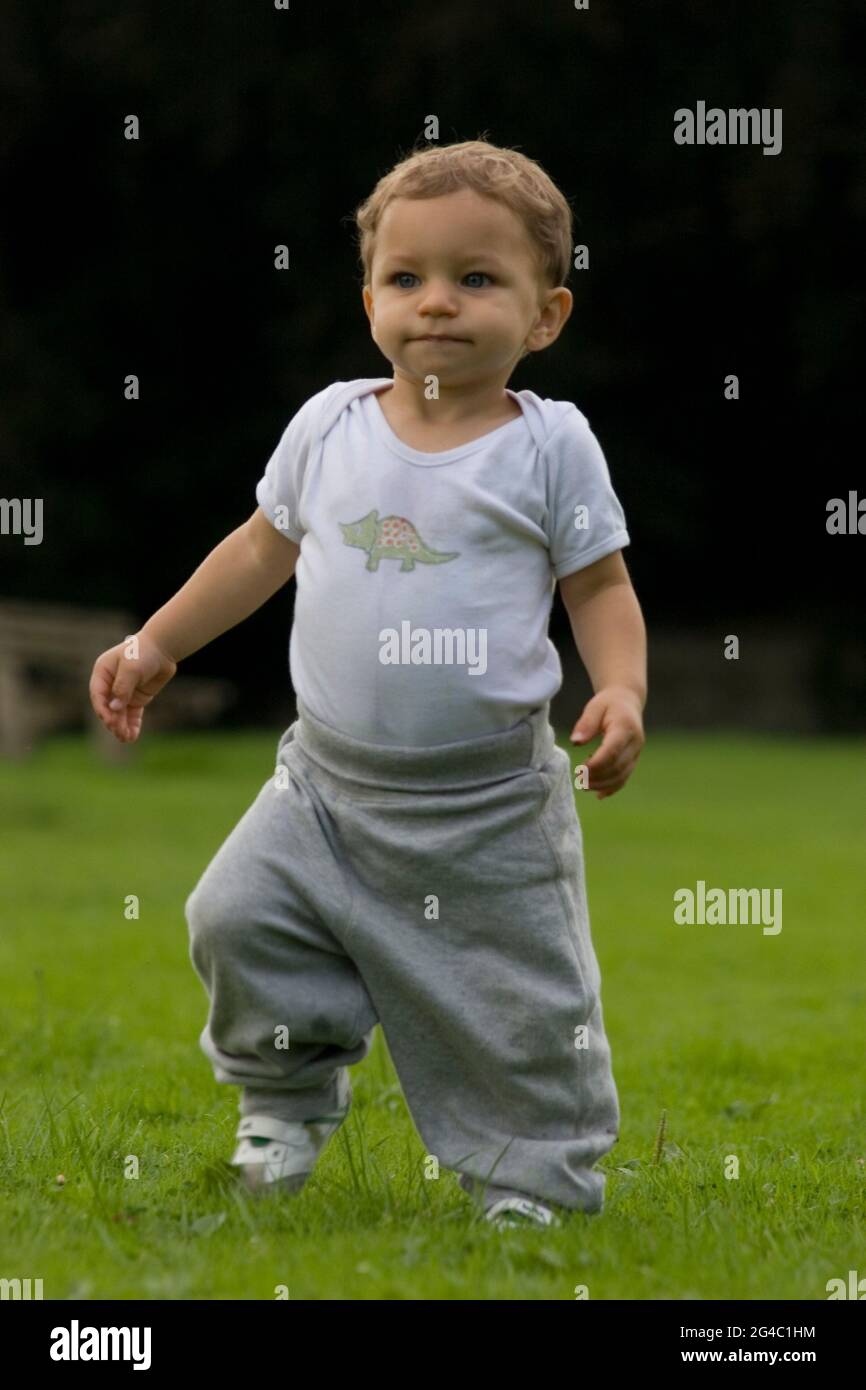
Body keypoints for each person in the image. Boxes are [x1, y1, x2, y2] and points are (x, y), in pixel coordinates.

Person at [89, 138, 647, 1231]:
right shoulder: (329, 426)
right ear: (368, 299)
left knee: (520, 1005)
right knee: (235, 915)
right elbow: (258, 549)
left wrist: (619, 690)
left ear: (546, 315)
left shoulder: (548, 447)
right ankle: (287, 1103)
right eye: (407, 278)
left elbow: (599, 586)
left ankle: (532, 1187)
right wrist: (157, 643)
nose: (435, 303)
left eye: (475, 278)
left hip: (486, 805)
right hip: (324, 789)